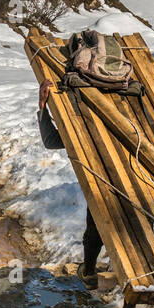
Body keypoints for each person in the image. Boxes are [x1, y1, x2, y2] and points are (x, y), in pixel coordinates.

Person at [38, 79, 103, 287]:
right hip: (147, 183)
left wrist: (43, 107)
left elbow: (51, 141)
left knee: (98, 226)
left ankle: (89, 271)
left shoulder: (82, 123)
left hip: (104, 186)